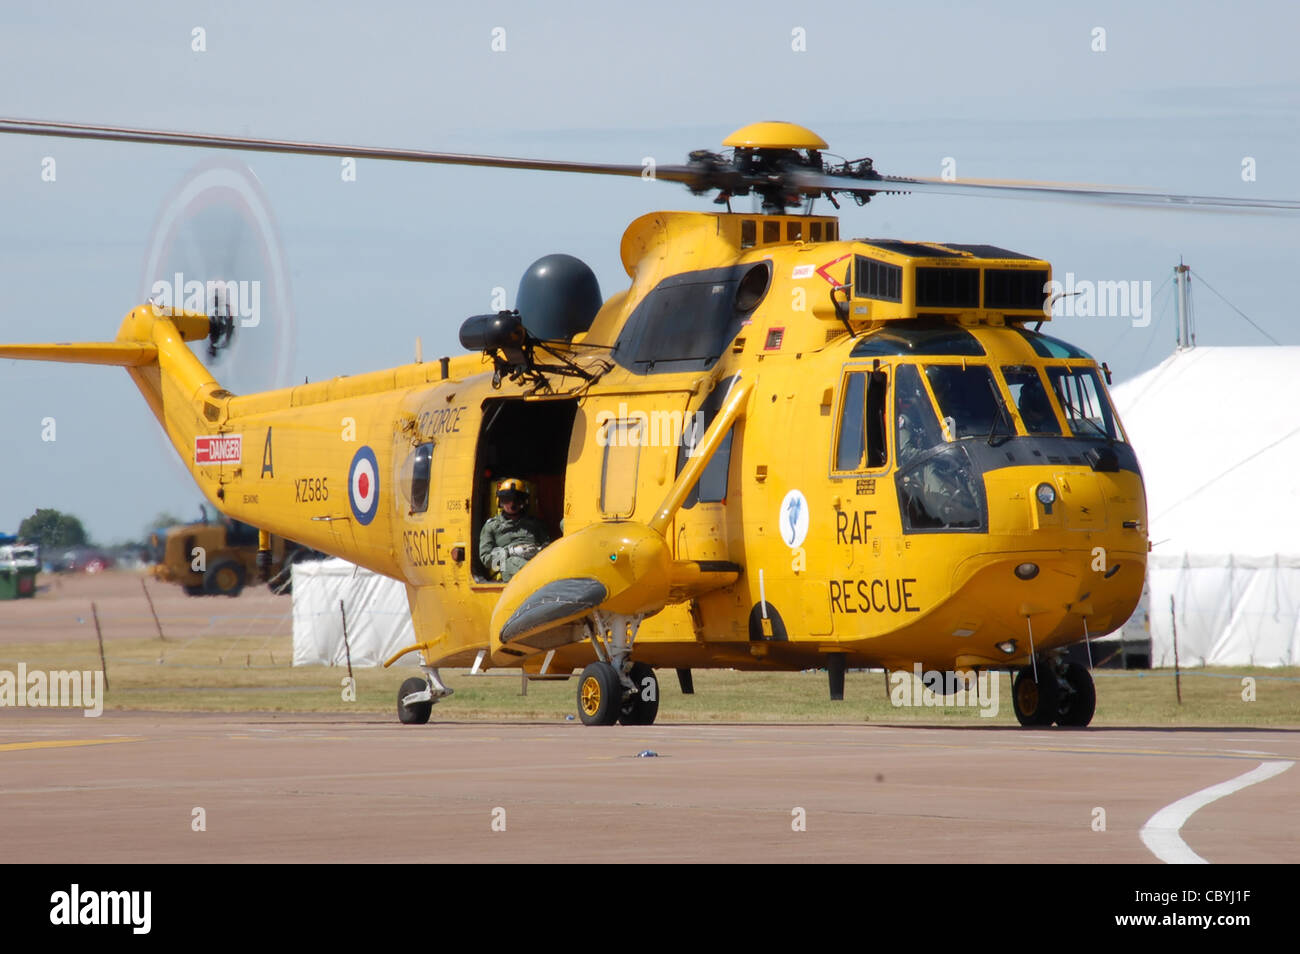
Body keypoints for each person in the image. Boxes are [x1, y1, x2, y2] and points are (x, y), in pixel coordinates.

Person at [478, 478, 550, 582]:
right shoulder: (491, 526)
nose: (512, 504)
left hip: (535, 561)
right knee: (512, 561)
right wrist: (511, 552)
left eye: (517, 499)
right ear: (499, 502)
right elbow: (486, 559)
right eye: (507, 499)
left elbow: (548, 548)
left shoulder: (536, 524)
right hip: (507, 566)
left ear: (524, 501)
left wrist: (538, 551)